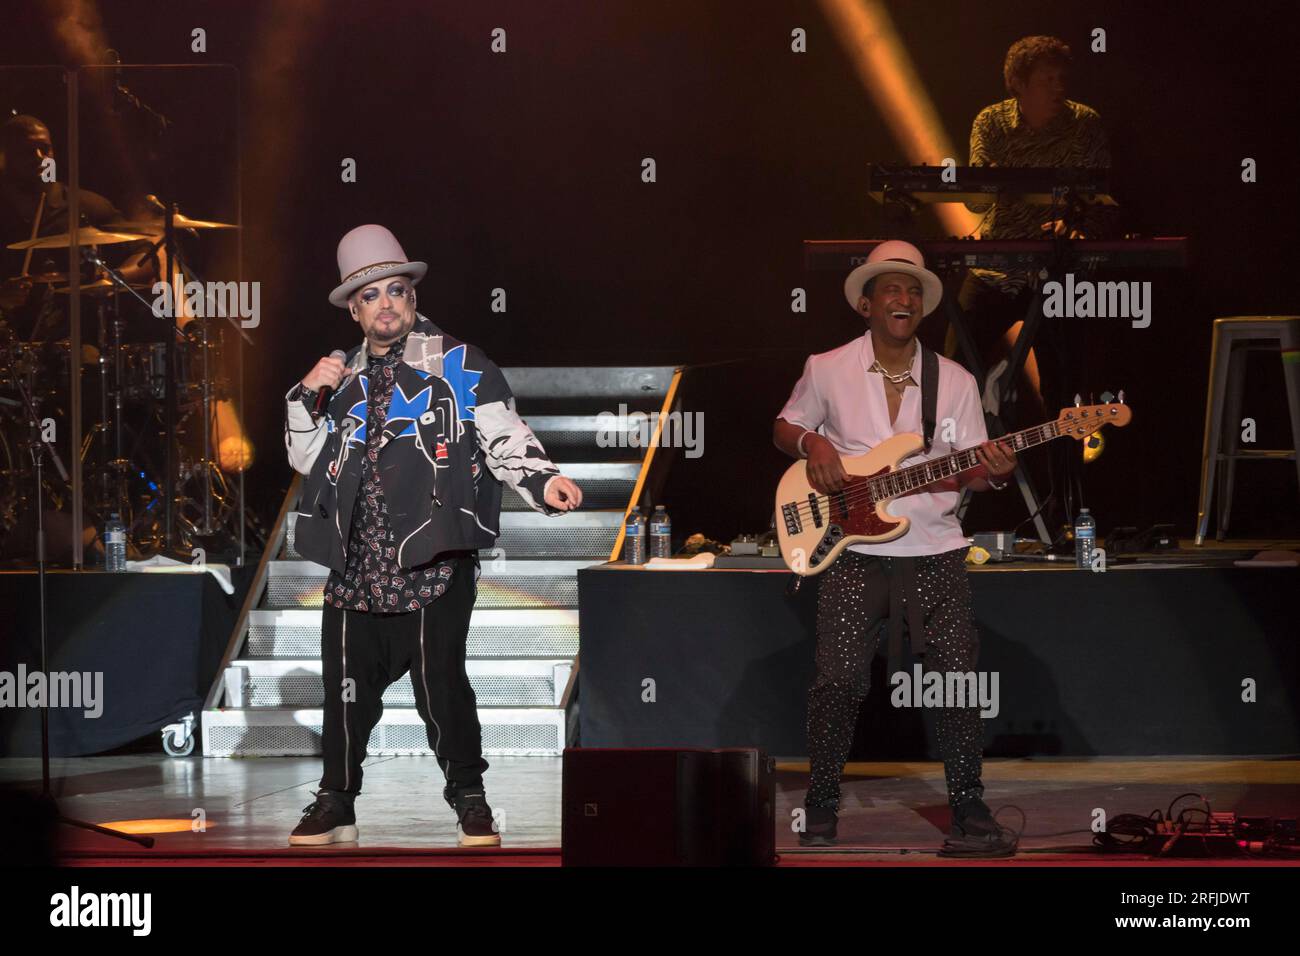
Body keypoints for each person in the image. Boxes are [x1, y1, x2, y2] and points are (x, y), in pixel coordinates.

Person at [284, 224, 582, 846]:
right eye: (371, 296)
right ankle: (335, 799)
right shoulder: (340, 380)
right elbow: (306, 460)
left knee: (442, 684)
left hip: (430, 552)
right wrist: (305, 396)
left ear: (412, 298)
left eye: (396, 290)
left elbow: (502, 433)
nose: (386, 304)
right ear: (355, 309)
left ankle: (469, 798)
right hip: (356, 559)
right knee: (345, 691)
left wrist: (542, 478)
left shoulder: (458, 363)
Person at [773, 240, 1019, 857]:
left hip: (935, 549)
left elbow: (972, 472)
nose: (903, 299)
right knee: (838, 681)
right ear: (866, 303)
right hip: (853, 552)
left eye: (913, 290)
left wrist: (998, 471)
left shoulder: (955, 381)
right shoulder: (826, 367)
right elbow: (784, 426)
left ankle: (968, 806)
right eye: (891, 289)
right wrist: (815, 447)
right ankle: (822, 806)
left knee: (958, 681)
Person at [959, 35, 1115, 423]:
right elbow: (975, 203)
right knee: (953, 369)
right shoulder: (991, 122)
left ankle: (1064, 482)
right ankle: (950, 468)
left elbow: (1102, 200)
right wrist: (986, 182)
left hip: (1058, 272)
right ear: (1019, 83)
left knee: (1066, 390)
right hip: (997, 268)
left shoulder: (1084, 124)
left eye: (1062, 78)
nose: (1059, 87)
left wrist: (1075, 223)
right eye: (1048, 79)